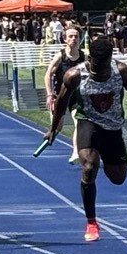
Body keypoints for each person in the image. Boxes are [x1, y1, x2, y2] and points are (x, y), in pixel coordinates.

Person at [46, 35, 127, 242]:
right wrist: (54, 128)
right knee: (90, 166)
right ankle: (91, 221)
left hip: (113, 127)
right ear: (90, 58)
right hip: (88, 122)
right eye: (96, 66)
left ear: (111, 59)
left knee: (118, 178)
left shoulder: (121, 72)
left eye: (103, 68)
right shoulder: (74, 75)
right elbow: (62, 102)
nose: (99, 72)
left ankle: (100, 155)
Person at [44, 25, 84, 164]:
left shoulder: (84, 57)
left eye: (76, 37)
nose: (74, 39)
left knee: (79, 123)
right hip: (59, 96)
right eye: (71, 36)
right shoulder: (60, 56)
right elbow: (48, 74)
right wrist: (49, 94)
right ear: (65, 39)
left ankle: (75, 152)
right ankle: (51, 134)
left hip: (76, 97)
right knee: (57, 128)